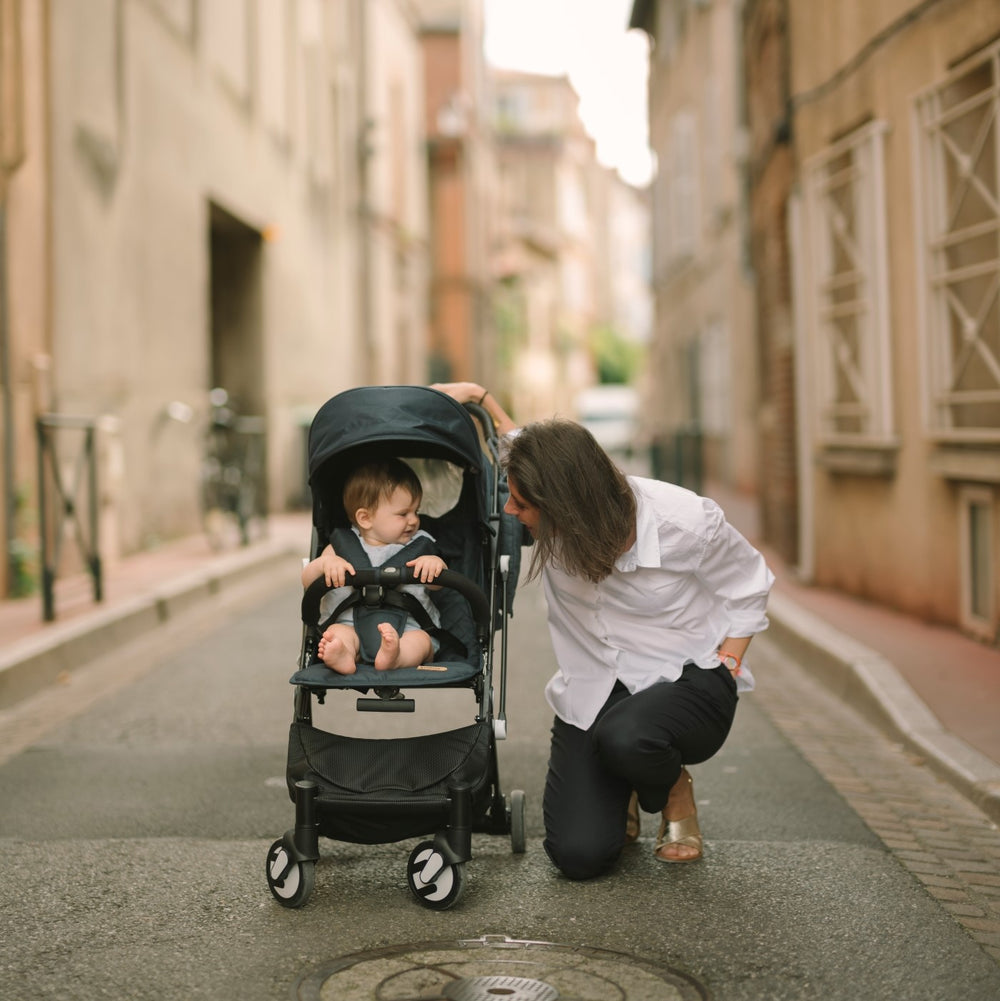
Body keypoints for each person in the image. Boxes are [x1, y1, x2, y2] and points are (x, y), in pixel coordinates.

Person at [432, 382, 774, 879]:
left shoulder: (684, 521)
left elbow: (749, 584)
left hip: (685, 680)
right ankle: (626, 785)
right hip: (595, 690)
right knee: (578, 855)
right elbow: (521, 444)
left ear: (566, 506)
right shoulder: (554, 497)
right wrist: (480, 398)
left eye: (522, 504)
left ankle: (673, 789)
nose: (510, 511)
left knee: (628, 736)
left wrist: (729, 663)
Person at [302, 458, 447, 674]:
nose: (414, 520)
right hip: (350, 625)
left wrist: (435, 565)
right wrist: (325, 565)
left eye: (416, 511)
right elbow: (308, 582)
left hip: (408, 627)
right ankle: (344, 653)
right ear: (365, 518)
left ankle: (395, 657)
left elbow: (440, 585)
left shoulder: (420, 545)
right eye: (403, 514)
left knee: (421, 642)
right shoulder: (340, 548)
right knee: (337, 633)